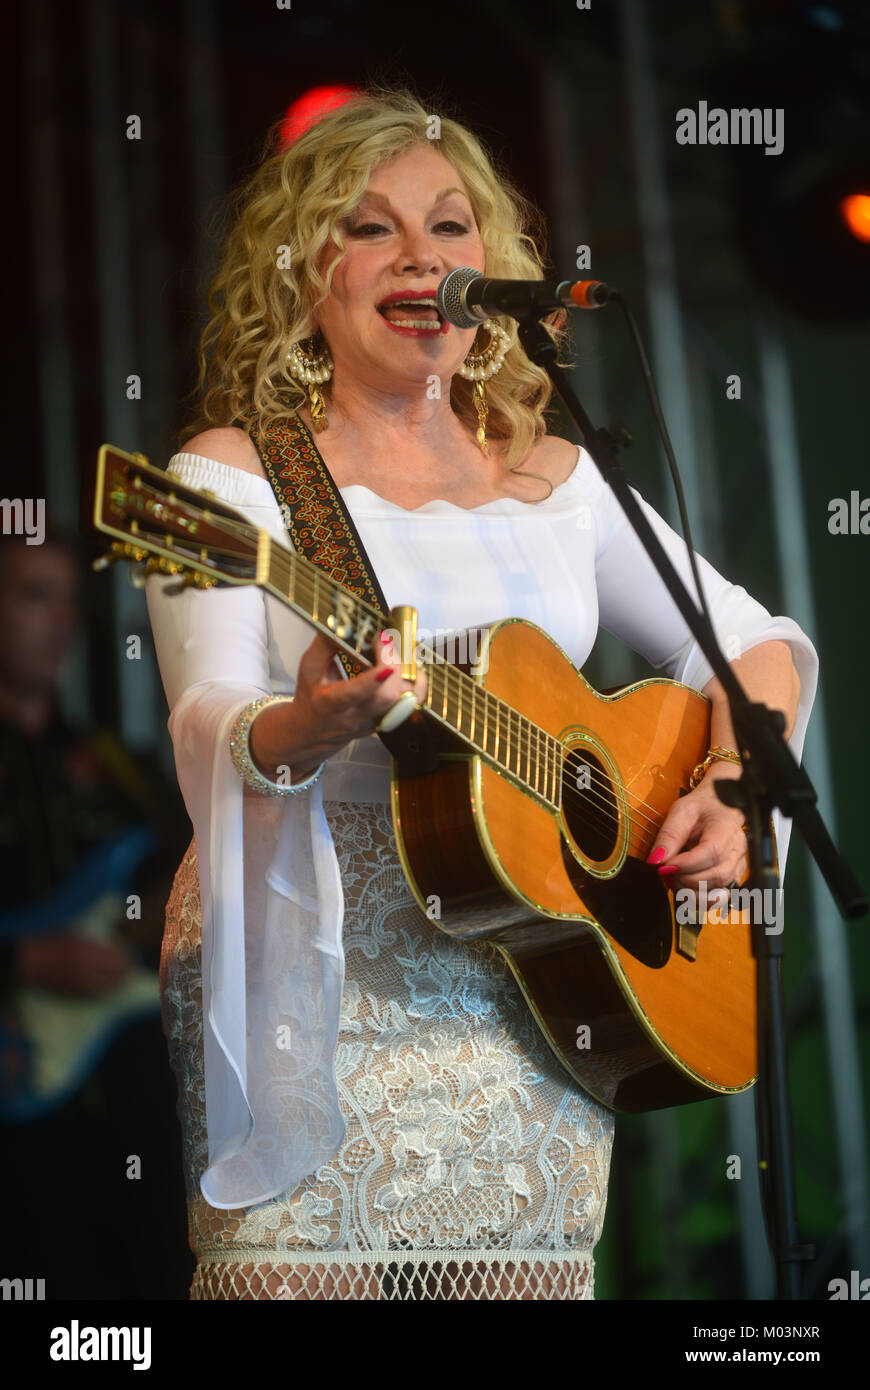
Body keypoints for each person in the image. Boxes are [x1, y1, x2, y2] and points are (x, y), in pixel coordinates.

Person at [144, 86, 817, 1301]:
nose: (421, 258)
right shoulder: (226, 478)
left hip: (539, 969)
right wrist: (315, 714)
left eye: (452, 228)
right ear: (305, 274)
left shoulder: (558, 477)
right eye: (369, 227)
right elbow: (208, 718)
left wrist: (727, 783)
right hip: (326, 958)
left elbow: (754, 641)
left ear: (493, 266)